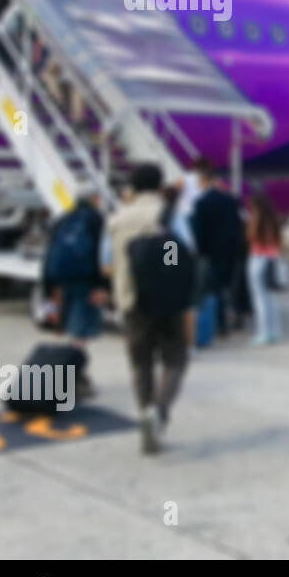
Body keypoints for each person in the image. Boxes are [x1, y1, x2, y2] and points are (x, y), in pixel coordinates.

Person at [105, 163, 190, 454]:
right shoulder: (168, 214)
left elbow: (106, 261)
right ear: (158, 185)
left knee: (141, 364)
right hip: (167, 299)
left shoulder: (117, 219)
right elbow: (186, 250)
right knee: (176, 358)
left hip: (131, 300)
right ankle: (161, 410)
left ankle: (144, 413)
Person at [40, 185, 109, 400]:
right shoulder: (96, 220)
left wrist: (48, 288)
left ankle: (70, 375)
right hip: (85, 281)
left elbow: (49, 253)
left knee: (68, 328)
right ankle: (74, 378)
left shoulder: (62, 219)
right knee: (81, 333)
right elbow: (102, 254)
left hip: (60, 280)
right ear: (95, 199)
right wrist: (104, 286)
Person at [190, 164, 245, 345]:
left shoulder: (201, 203)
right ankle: (232, 318)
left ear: (203, 181)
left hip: (210, 252)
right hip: (230, 250)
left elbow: (199, 231)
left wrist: (198, 251)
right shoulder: (230, 200)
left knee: (213, 288)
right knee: (228, 285)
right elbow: (237, 225)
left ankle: (219, 324)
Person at [245, 192, 285, 345]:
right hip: (273, 258)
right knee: (271, 298)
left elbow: (250, 237)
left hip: (258, 259)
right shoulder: (274, 221)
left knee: (259, 298)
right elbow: (278, 242)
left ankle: (263, 332)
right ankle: (275, 331)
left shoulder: (256, 220)